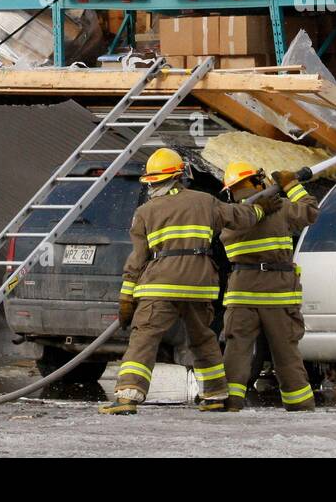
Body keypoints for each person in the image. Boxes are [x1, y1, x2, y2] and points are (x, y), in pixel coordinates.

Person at [99, 147, 264, 416]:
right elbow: (240, 217)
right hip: (199, 286)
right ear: (179, 176)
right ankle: (215, 394)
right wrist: (260, 209)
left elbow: (138, 260)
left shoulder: (145, 212)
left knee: (145, 338)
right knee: (203, 339)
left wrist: (126, 296)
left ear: (152, 181)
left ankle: (128, 395)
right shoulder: (205, 201)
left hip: (160, 287)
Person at [218, 162, 320, 412]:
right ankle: (300, 404)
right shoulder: (281, 208)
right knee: (285, 350)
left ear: (230, 190)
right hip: (277, 293)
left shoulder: (229, 216)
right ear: (256, 181)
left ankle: (230, 402)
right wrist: (292, 186)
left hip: (242, 295)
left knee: (237, 350)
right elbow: (310, 213)